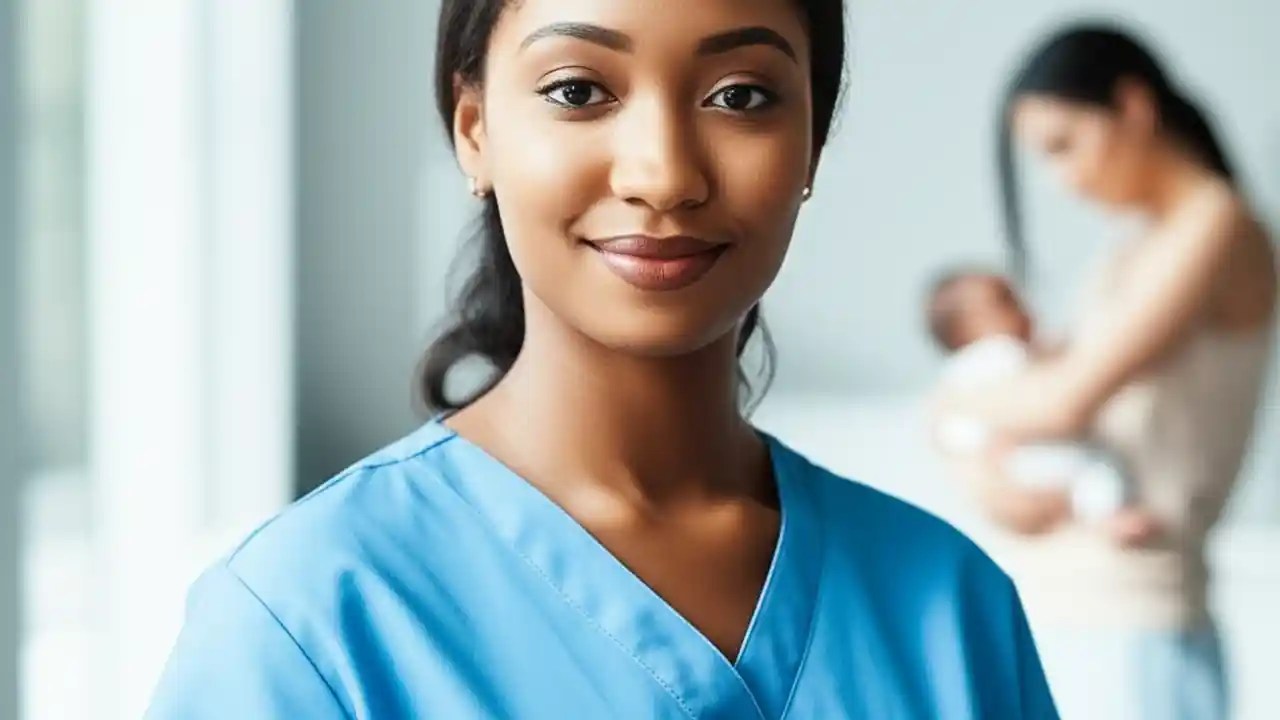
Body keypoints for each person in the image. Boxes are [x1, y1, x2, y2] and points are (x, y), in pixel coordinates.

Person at [146, 1, 1058, 717]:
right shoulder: (303, 621)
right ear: (475, 130)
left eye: (741, 94)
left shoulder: (952, 609)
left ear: (810, 139)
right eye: (579, 90)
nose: (662, 174)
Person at [938, 22, 1276, 720]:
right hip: (1074, 606)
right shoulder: (1139, 241)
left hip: (1136, 619)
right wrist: (984, 472)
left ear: (1133, 107)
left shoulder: (1216, 223)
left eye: (1066, 146)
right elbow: (1046, 403)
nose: (1064, 180)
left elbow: (1063, 401)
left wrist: (945, 411)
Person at [927, 269, 1131, 525]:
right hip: (1024, 454)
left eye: (1016, 297)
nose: (1021, 308)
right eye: (1003, 300)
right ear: (961, 330)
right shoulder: (995, 356)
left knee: (1090, 472)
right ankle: (1110, 517)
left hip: (1018, 459)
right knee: (1095, 468)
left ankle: (1106, 516)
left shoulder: (960, 376)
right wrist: (985, 443)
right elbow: (956, 423)